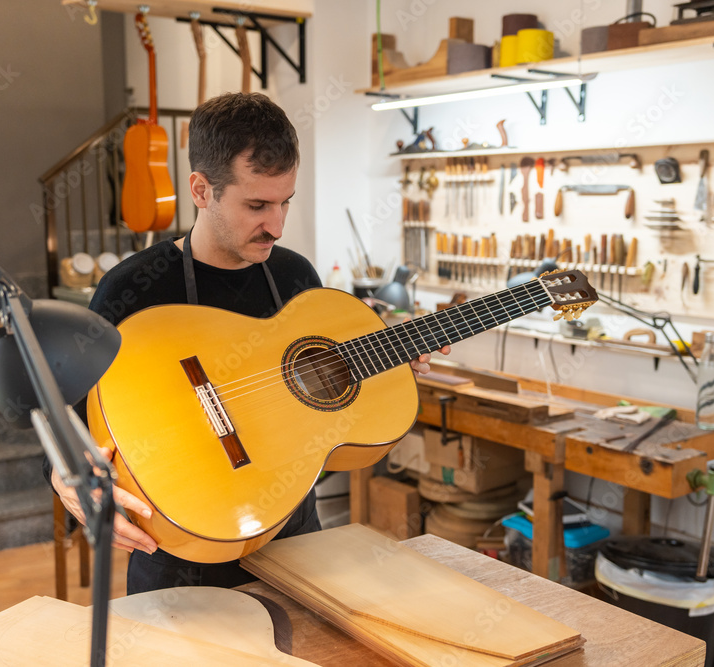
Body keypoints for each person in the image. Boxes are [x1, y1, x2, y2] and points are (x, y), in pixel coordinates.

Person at [49, 92, 449, 594]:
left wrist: (387, 366)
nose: (276, 226)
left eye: (286, 203)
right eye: (257, 205)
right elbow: (63, 413)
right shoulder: (137, 287)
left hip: (295, 538)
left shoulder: (295, 275)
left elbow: (313, 402)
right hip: (182, 553)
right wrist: (66, 477)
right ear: (201, 189)